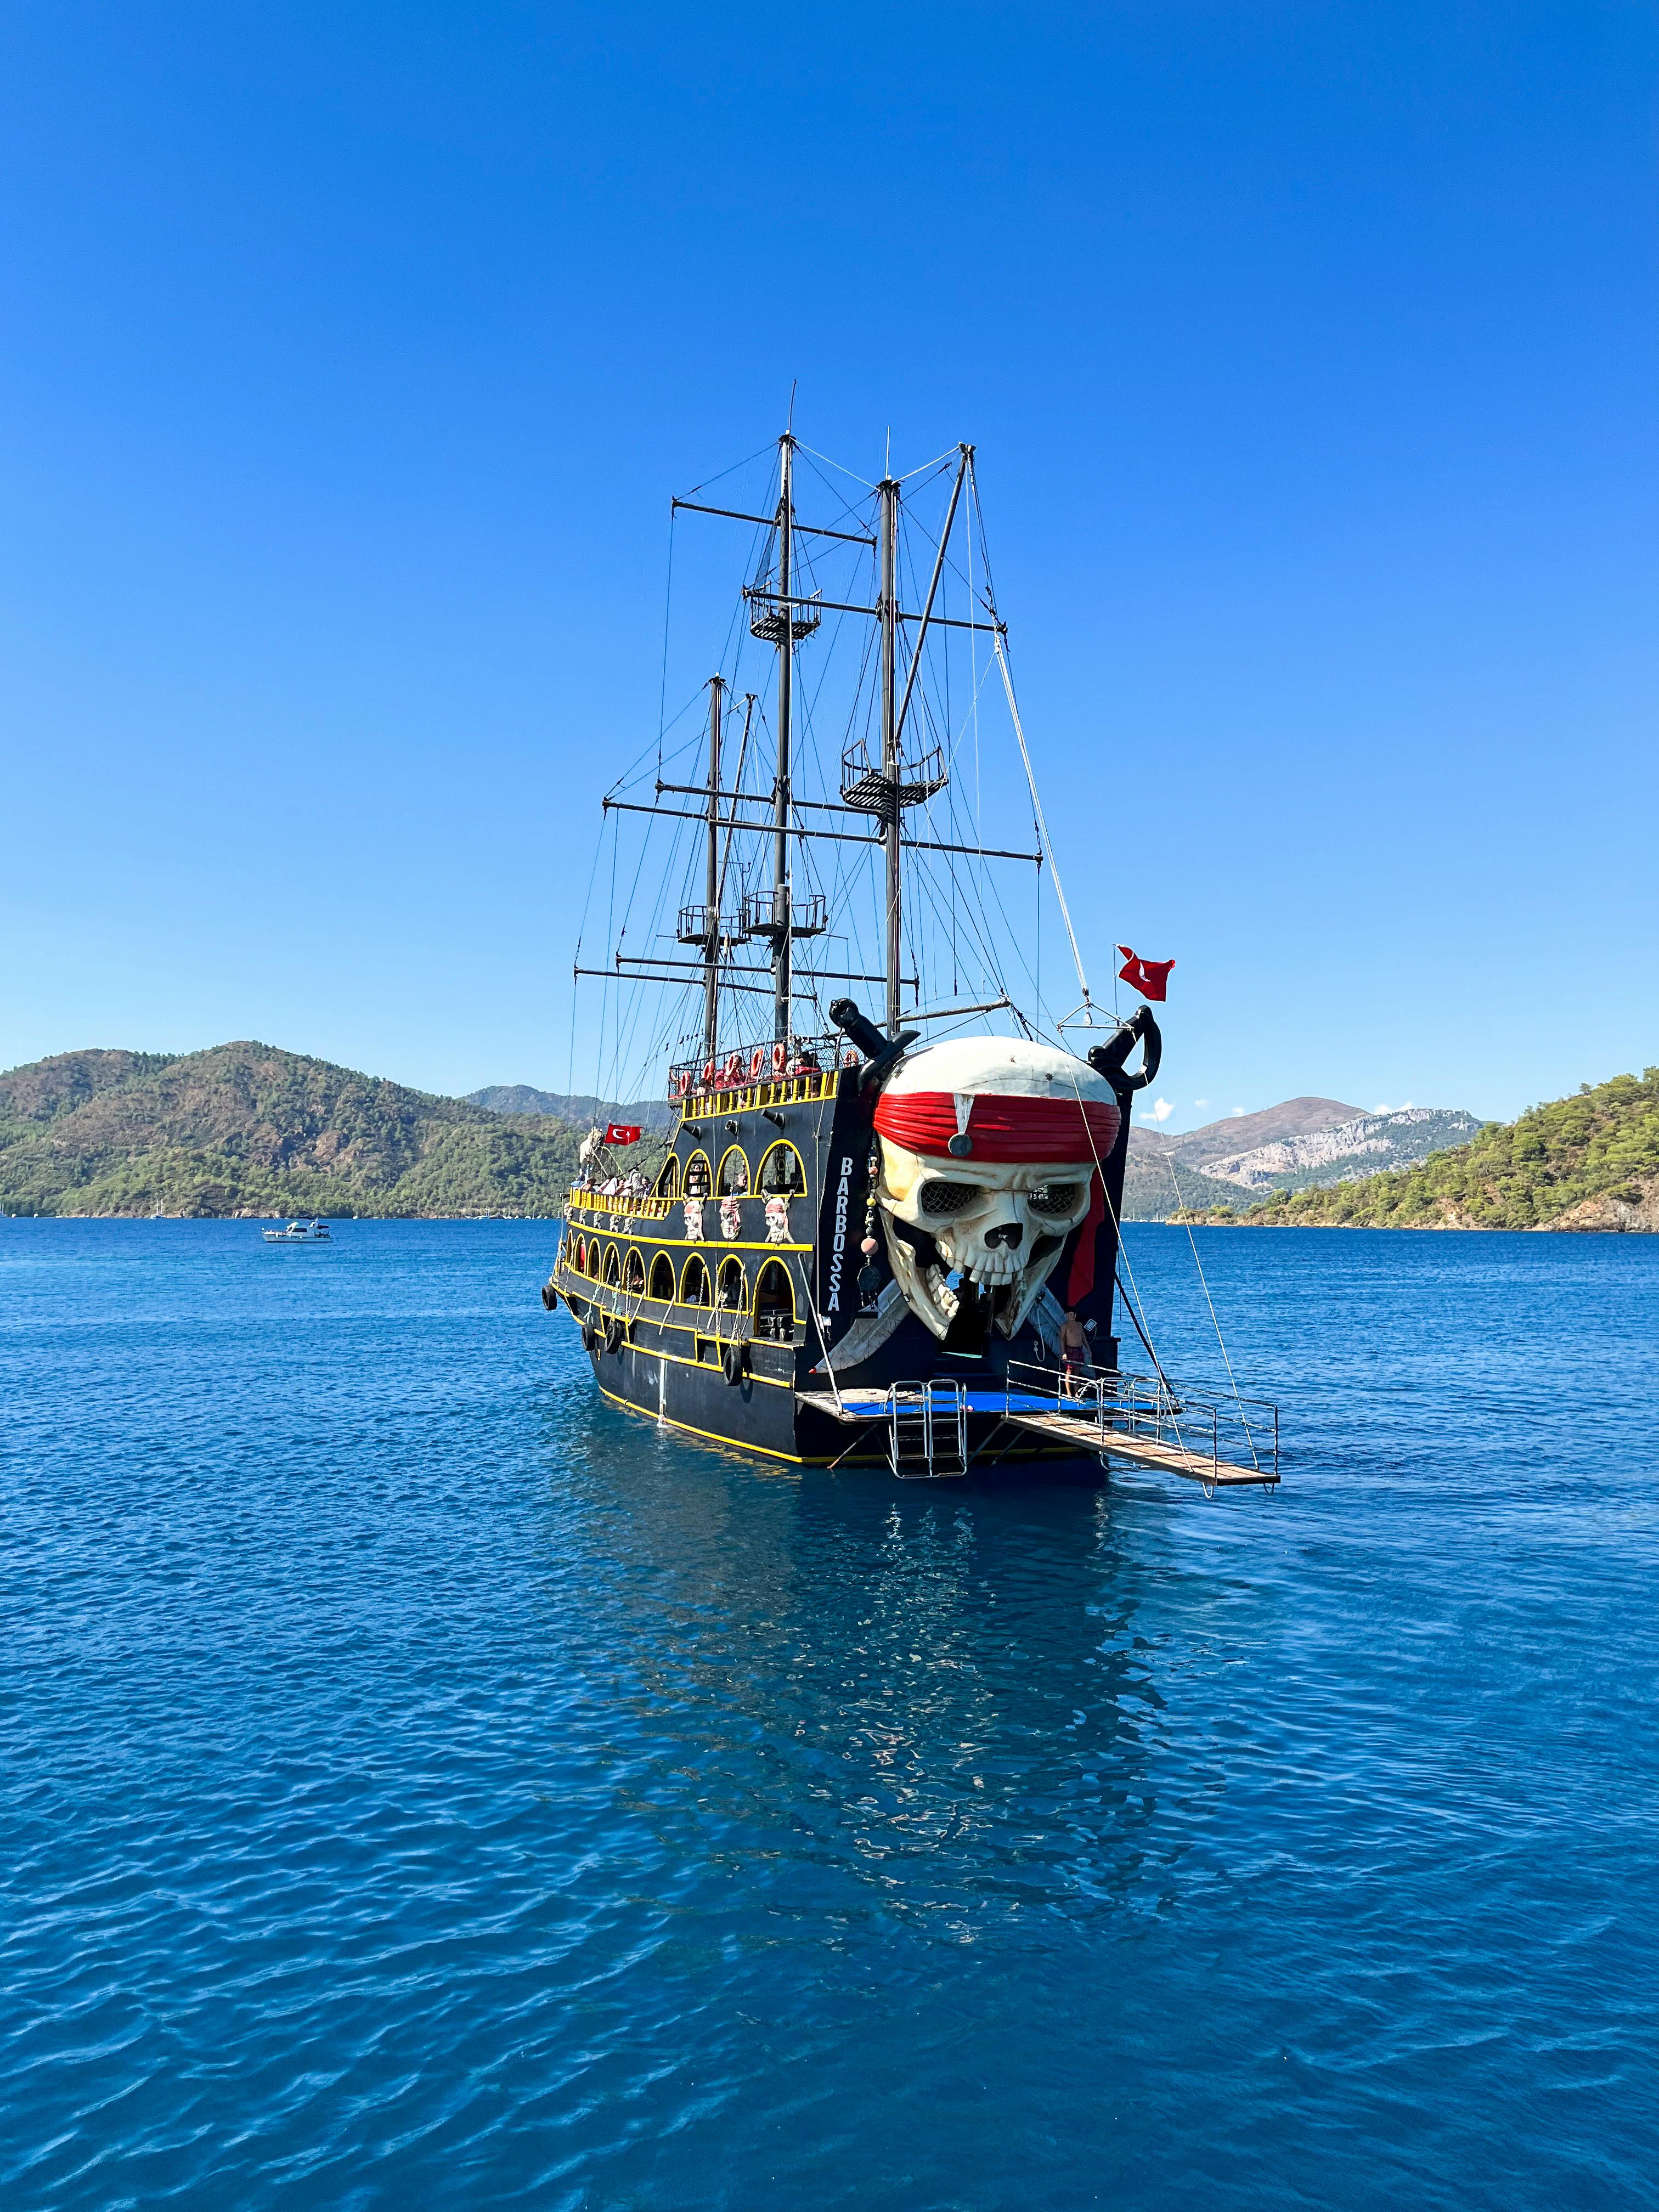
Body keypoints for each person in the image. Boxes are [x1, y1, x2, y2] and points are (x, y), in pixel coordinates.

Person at [1059, 1307, 1090, 1399]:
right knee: (1069, 1371)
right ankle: (1069, 1393)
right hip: (1069, 1350)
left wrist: (1088, 1348)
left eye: (1074, 1314)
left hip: (1079, 1350)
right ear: (1067, 1315)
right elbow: (1062, 1340)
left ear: (1076, 1315)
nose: (1072, 1316)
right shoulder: (1065, 1326)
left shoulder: (1079, 1325)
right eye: (1070, 1314)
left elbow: (1083, 1338)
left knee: (1077, 1372)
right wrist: (1064, 1352)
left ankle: (1076, 1393)